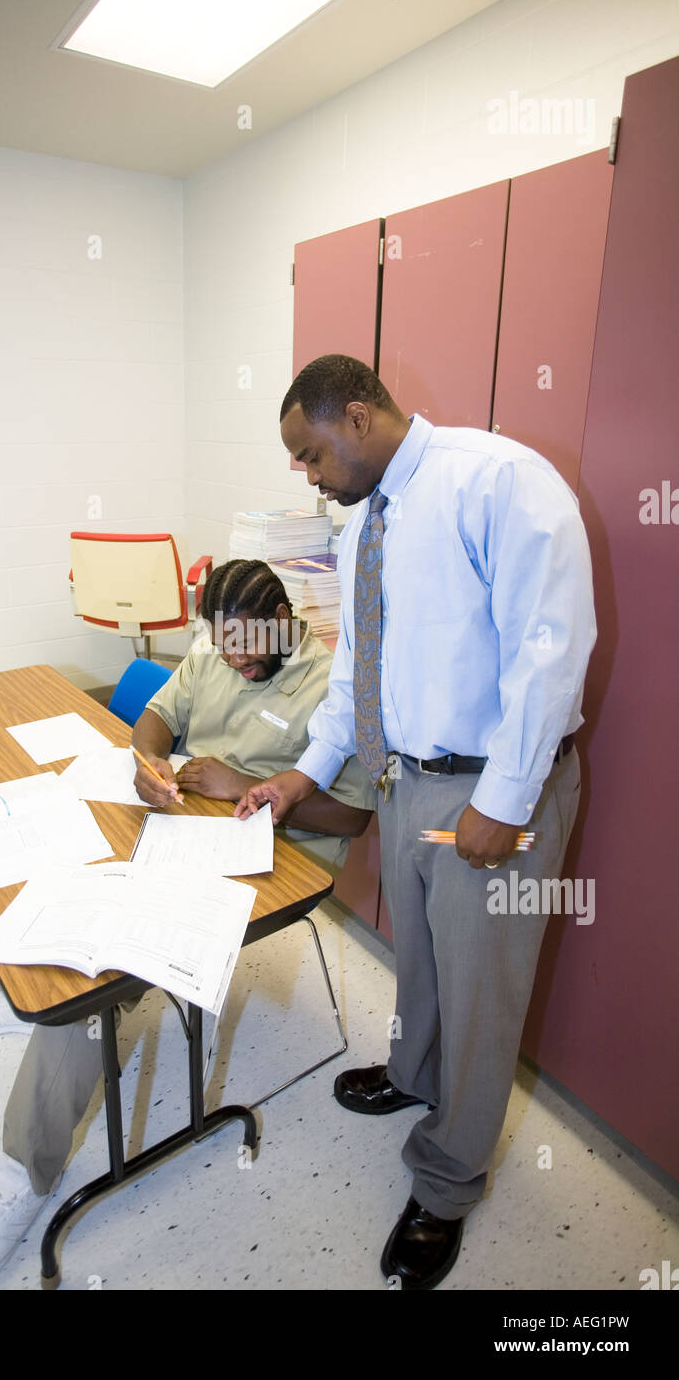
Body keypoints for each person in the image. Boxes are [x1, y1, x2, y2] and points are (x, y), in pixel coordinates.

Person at [235, 354, 597, 1290]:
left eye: (309, 455)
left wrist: (505, 805)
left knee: (482, 991)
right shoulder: (367, 530)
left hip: (493, 792)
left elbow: (551, 653)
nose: (306, 477)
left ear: (357, 418)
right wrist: (300, 777)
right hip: (407, 782)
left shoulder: (499, 482)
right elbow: (359, 672)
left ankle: (447, 1181)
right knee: (425, 959)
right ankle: (414, 1074)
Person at [0, 559, 375, 1290]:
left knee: (108, 961)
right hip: (187, 823)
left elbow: (355, 814)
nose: (231, 659)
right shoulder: (216, 646)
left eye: (245, 650)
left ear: (283, 623)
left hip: (272, 860)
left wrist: (245, 786)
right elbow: (160, 715)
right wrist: (148, 760)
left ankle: (21, 1174)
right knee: (73, 853)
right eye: (221, 645)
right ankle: (42, 981)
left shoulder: (332, 683)